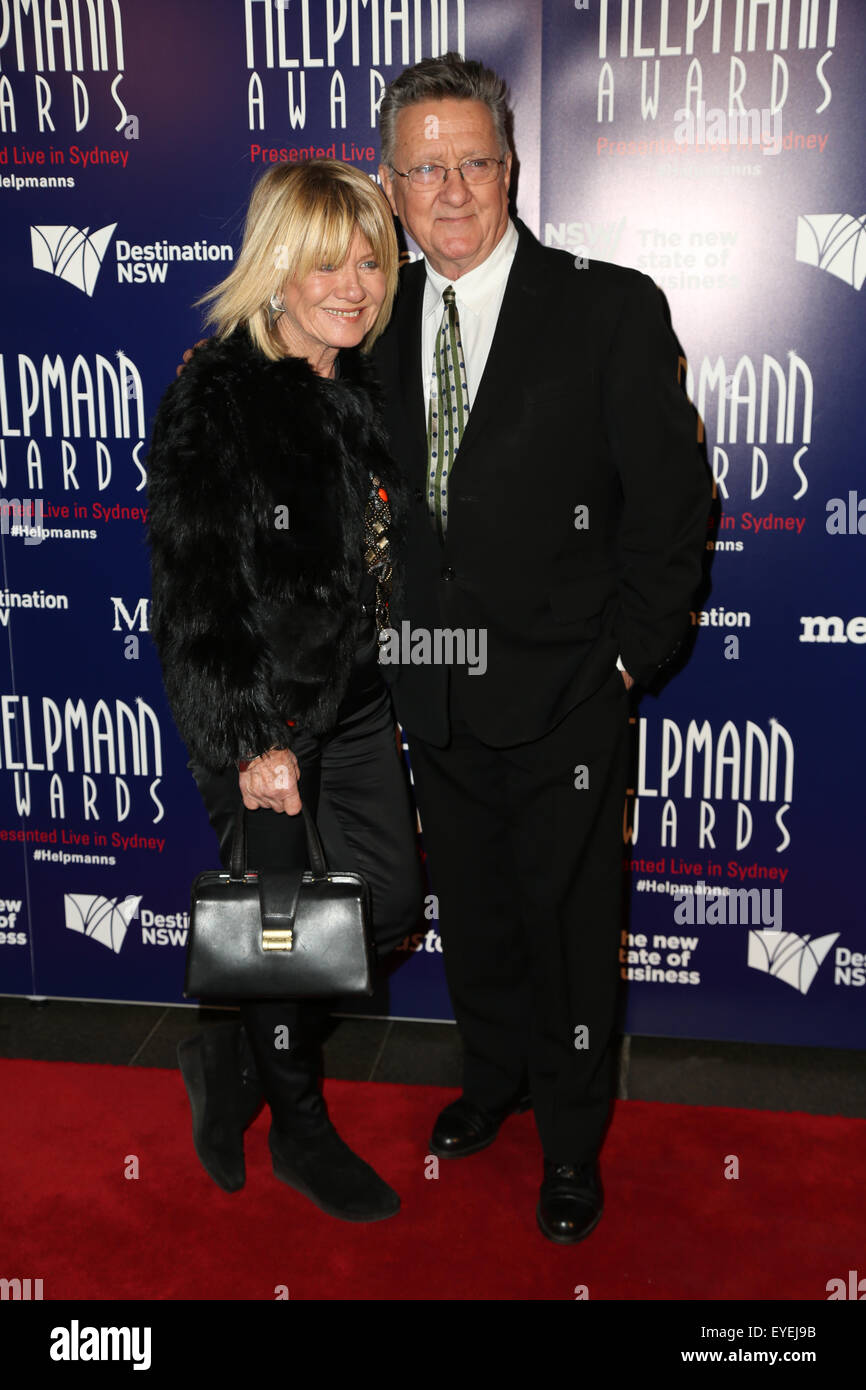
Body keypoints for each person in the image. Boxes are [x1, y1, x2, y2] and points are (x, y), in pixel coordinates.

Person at [368, 54, 712, 1243]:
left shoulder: (604, 304)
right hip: (434, 690)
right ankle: (495, 1080)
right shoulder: (374, 316)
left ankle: (570, 1142)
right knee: (476, 907)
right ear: (392, 186)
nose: (452, 189)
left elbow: (673, 502)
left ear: (509, 167)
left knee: (569, 926)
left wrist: (628, 659)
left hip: (570, 689)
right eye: (425, 167)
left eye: (473, 161)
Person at [146, 159, 423, 1224]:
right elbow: (197, 592)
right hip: (260, 715)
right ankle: (302, 1132)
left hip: (352, 704)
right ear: (274, 270)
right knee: (280, 929)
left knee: (383, 901)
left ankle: (227, 1049)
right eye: (324, 262)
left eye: (368, 257)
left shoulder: (356, 380)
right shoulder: (213, 397)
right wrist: (253, 738)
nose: (353, 283)